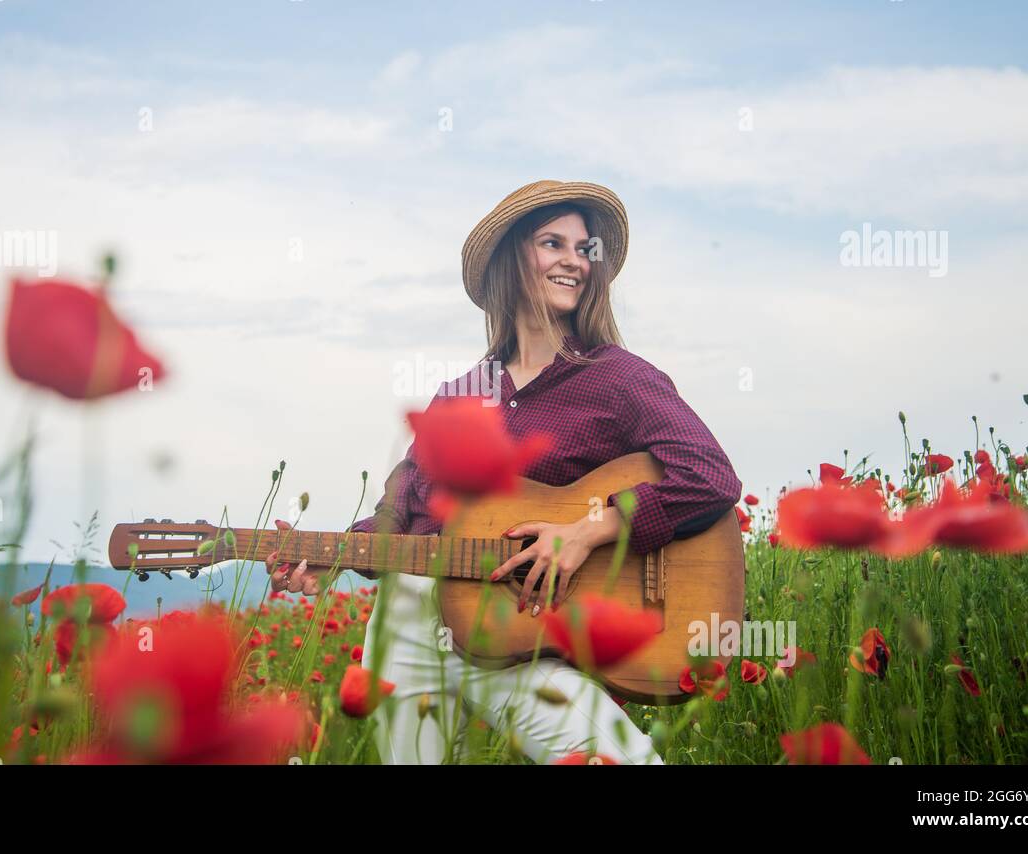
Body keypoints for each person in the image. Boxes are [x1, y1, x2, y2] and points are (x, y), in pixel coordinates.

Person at [268, 180, 742, 764]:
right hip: (413, 626)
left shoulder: (618, 379)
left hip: (520, 631)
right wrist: (331, 553)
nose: (574, 260)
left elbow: (709, 474)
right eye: (553, 243)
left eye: (584, 248)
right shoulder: (461, 395)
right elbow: (406, 513)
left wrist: (590, 529)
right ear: (512, 260)